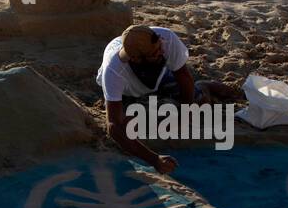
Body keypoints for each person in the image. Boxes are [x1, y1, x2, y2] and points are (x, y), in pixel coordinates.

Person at [96, 24, 230, 174]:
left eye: (160, 46)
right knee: (131, 126)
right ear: (135, 59)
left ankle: (206, 86)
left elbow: (183, 76)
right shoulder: (114, 70)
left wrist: (186, 113)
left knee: (199, 101)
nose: (162, 51)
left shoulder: (167, 39)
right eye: (155, 53)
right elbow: (113, 125)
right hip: (128, 91)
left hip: (159, 76)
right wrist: (154, 160)